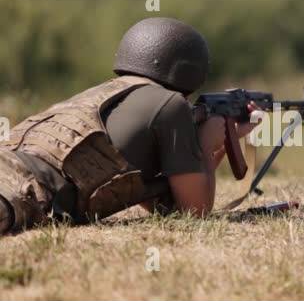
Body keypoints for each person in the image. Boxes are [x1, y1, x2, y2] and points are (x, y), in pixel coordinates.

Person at [0, 17, 258, 235]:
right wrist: (203, 145)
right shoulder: (171, 104)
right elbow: (195, 211)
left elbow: (161, 202)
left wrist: (217, 144)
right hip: (27, 188)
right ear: (190, 71)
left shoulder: (101, 94)